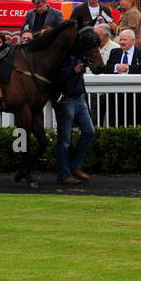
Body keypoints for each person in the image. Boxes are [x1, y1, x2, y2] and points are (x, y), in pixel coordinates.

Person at [53, 53, 95, 185]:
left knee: (89, 131)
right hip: (65, 99)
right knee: (64, 140)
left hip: (79, 98)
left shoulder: (79, 56)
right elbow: (54, 78)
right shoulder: (59, 56)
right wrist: (73, 70)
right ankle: (64, 174)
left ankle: (75, 165)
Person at [100, 28, 141, 126]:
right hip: (115, 96)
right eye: (121, 39)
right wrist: (116, 67)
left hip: (135, 96)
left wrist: (127, 68)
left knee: (135, 123)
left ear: (133, 40)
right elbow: (107, 69)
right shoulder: (115, 52)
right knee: (115, 124)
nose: (121, 42)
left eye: (124, 40)